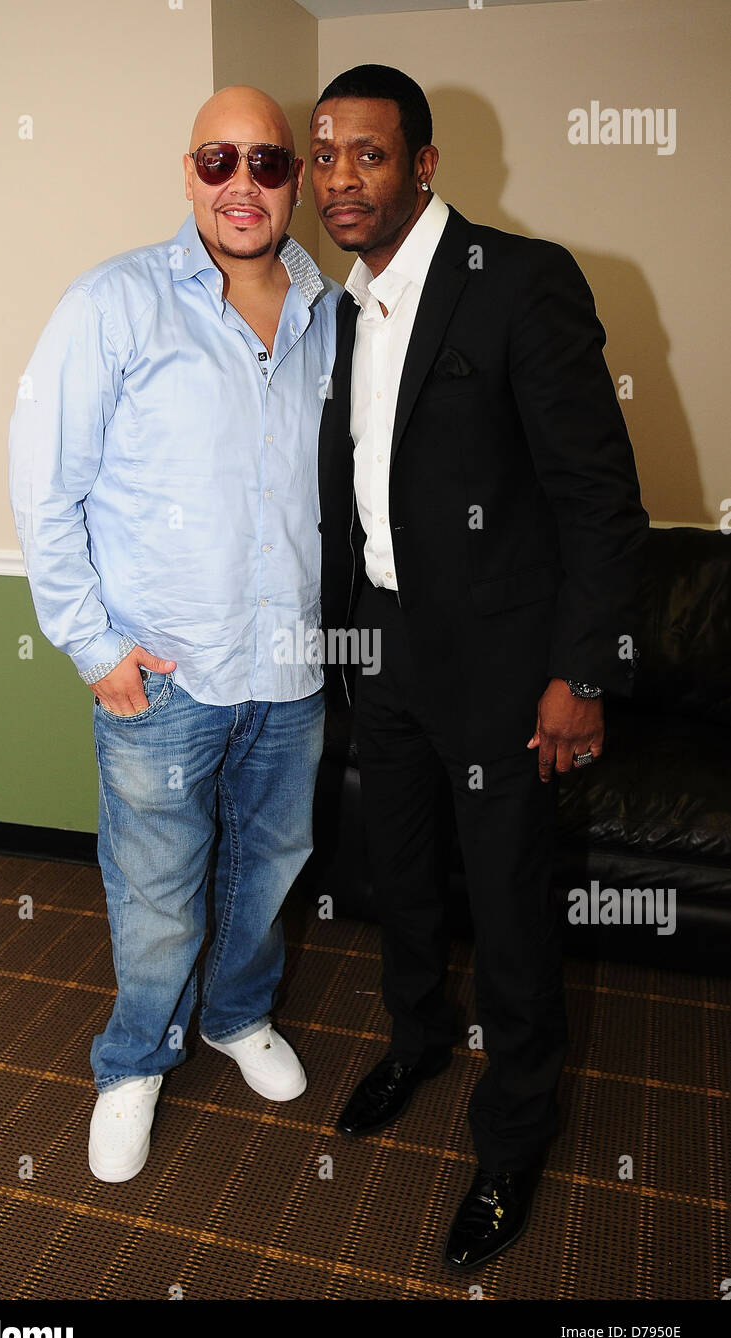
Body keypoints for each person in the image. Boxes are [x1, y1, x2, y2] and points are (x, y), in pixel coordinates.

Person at [312, 64, 648, 1271]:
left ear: (423, 166)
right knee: (397, 869)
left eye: (369, 153)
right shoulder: (345, 308)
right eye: (325, 153)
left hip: (506, 670)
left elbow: (599, 500)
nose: (339, 176)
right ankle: (413, 1040)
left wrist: (583, 672)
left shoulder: (517, 282)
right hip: (385, 650)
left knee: (508, 908)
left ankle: (511, 1136)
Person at [9, 85, 341, 1183]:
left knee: (268, 866)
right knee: (156, 888)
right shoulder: (114, 303)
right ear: (188, 172)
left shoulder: (329, 313)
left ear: (294, 176)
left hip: (290, 668)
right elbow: (43, 487)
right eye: (216, 161)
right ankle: (133, 1059)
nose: (241, 183)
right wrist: (90, 646)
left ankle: (235, 1015)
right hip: (161, 674)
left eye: (266, 161)